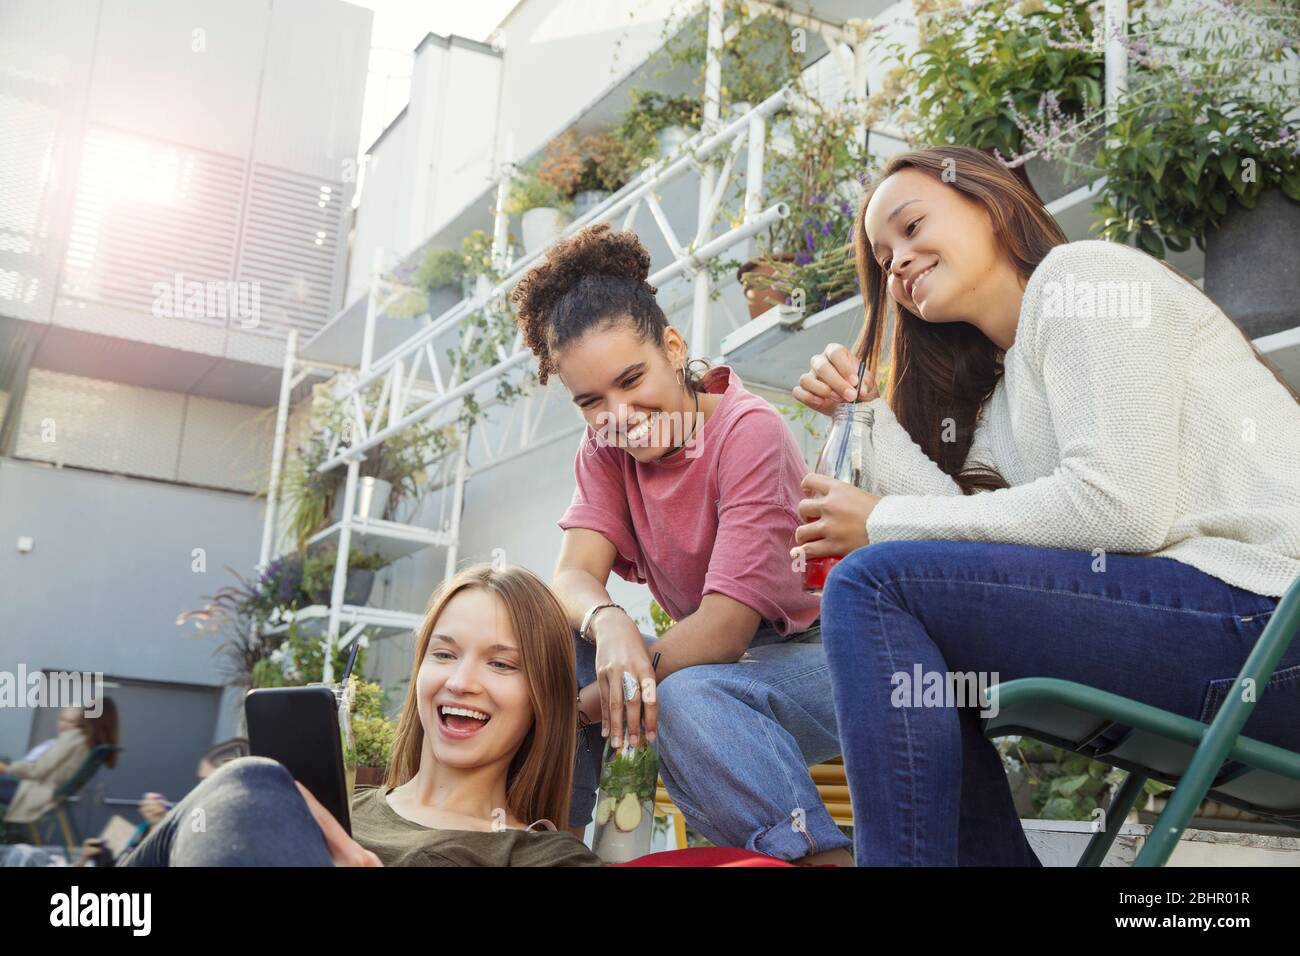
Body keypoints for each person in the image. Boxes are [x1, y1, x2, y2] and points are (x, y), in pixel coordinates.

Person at [791, 145, 1300, 865]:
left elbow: (1121, 508)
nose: (897, 262)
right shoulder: (999, 401)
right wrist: (865, 416)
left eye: (911, 227)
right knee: (897, 606)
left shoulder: (1080, 280)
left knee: (871, 585)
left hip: (1273, 618)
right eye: (882, 257)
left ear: (990, 204)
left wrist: (876, 523)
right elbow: (951, 561)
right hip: (1222, 634)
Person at [510, 223, 850, 864]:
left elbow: (721, 632)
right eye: (592, 401)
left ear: (672, 345)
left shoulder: (748, 434)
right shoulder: (607, 448)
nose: (619, 414)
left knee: (688, 697)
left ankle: (814, 858)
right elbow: (571, 578)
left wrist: (582, 709)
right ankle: (551, 851)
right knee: (552, 641)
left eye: (633, 378)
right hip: (719, 665)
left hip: (824, 654)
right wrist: (608, 624)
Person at [120, 564, 606, 866]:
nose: (461, 681)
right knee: (253, 783)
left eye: (500, 663)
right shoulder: (334, 807)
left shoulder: (544, 857)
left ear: (542, 695)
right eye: (443, 655)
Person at [0, 698, 119, 830]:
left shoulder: (74, 738)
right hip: (50, 793)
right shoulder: (94, 746)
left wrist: (7, 768)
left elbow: (38, 770)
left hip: (36, 793)